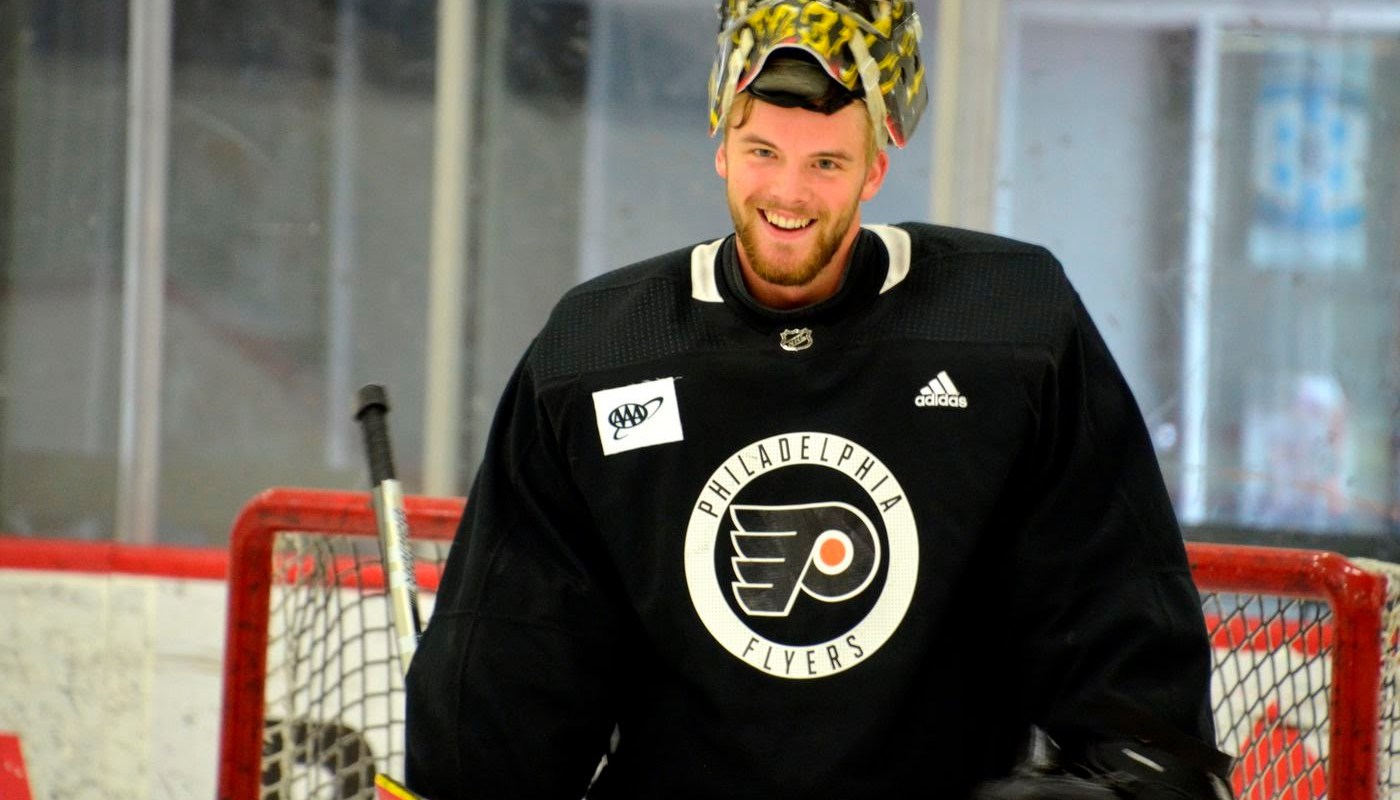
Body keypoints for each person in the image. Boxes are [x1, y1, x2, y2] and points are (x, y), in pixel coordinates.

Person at [405, 2, 1232, 798]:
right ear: (721, 143)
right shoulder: (595, 354)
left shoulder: (1013, 329)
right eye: (763, 151)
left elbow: (1116, 614)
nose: (789, 195)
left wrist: (1142, 781)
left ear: (877, 164)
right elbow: (515, 658)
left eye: (826, 163)